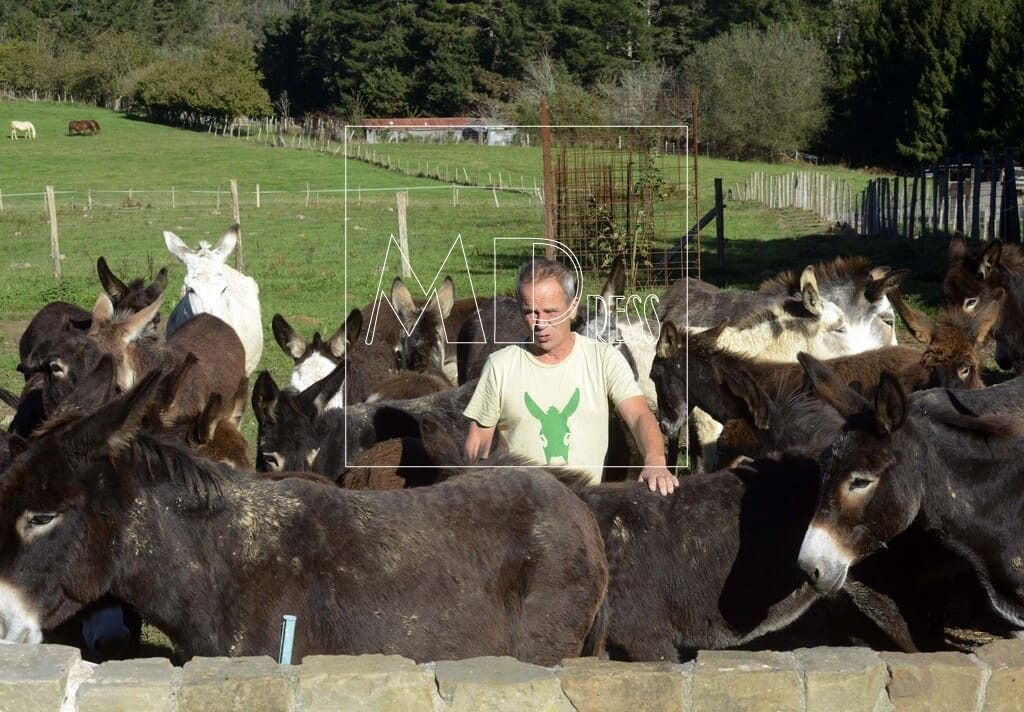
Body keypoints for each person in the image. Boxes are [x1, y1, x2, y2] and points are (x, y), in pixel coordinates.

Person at [463, 258, 678, 495]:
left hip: (583, 504)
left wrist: (656, 461)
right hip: (523, 509)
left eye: (550, 312)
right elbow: (478, 441)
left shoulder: (603, 359)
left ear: (573, 308)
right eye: (530, 312)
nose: (540, 323)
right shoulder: (500, 366)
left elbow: (639, 415)